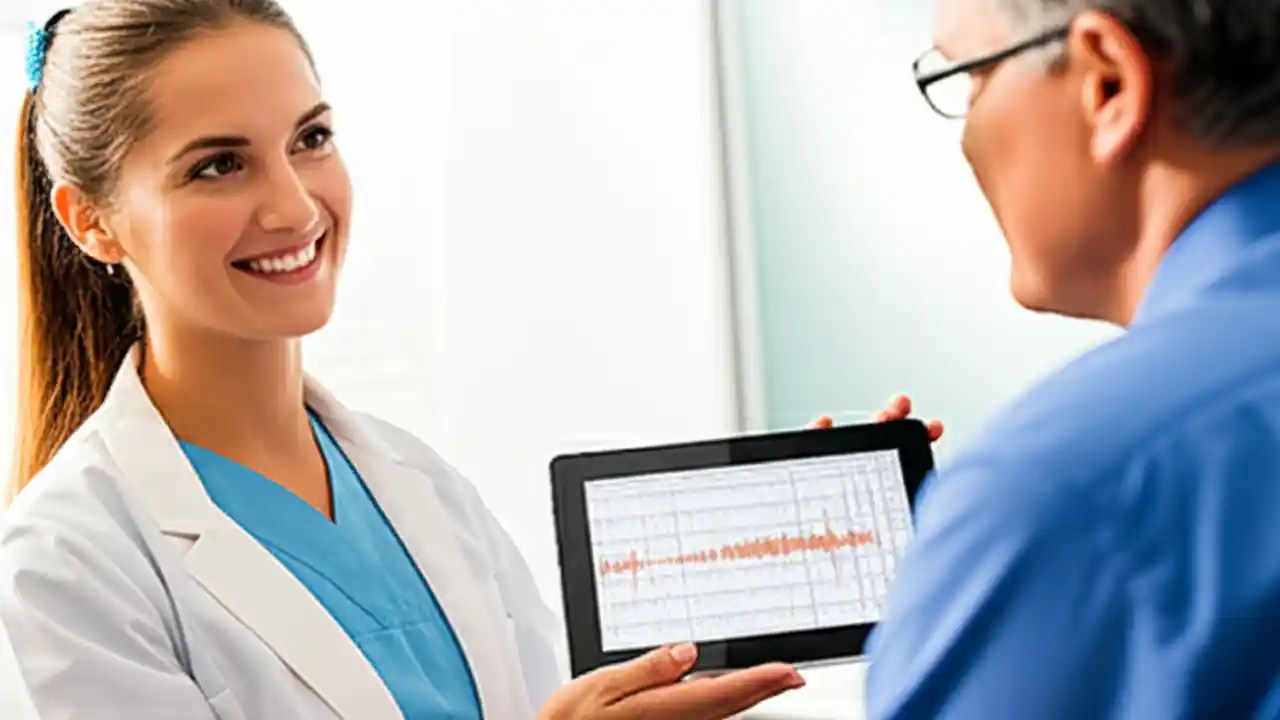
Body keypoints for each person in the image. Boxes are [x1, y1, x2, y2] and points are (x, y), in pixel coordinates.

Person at [0, 2, 840, 718]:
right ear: (91, 221)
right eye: (219, 165)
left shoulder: (422, 486)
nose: (295, 205)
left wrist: (799, 549)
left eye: (311, 138)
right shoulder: (69, 559)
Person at [859, 0, 1280, 717]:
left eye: (970, 80)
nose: (968, 139)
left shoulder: (1064, 491)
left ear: (1108, 81)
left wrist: (983, 581)